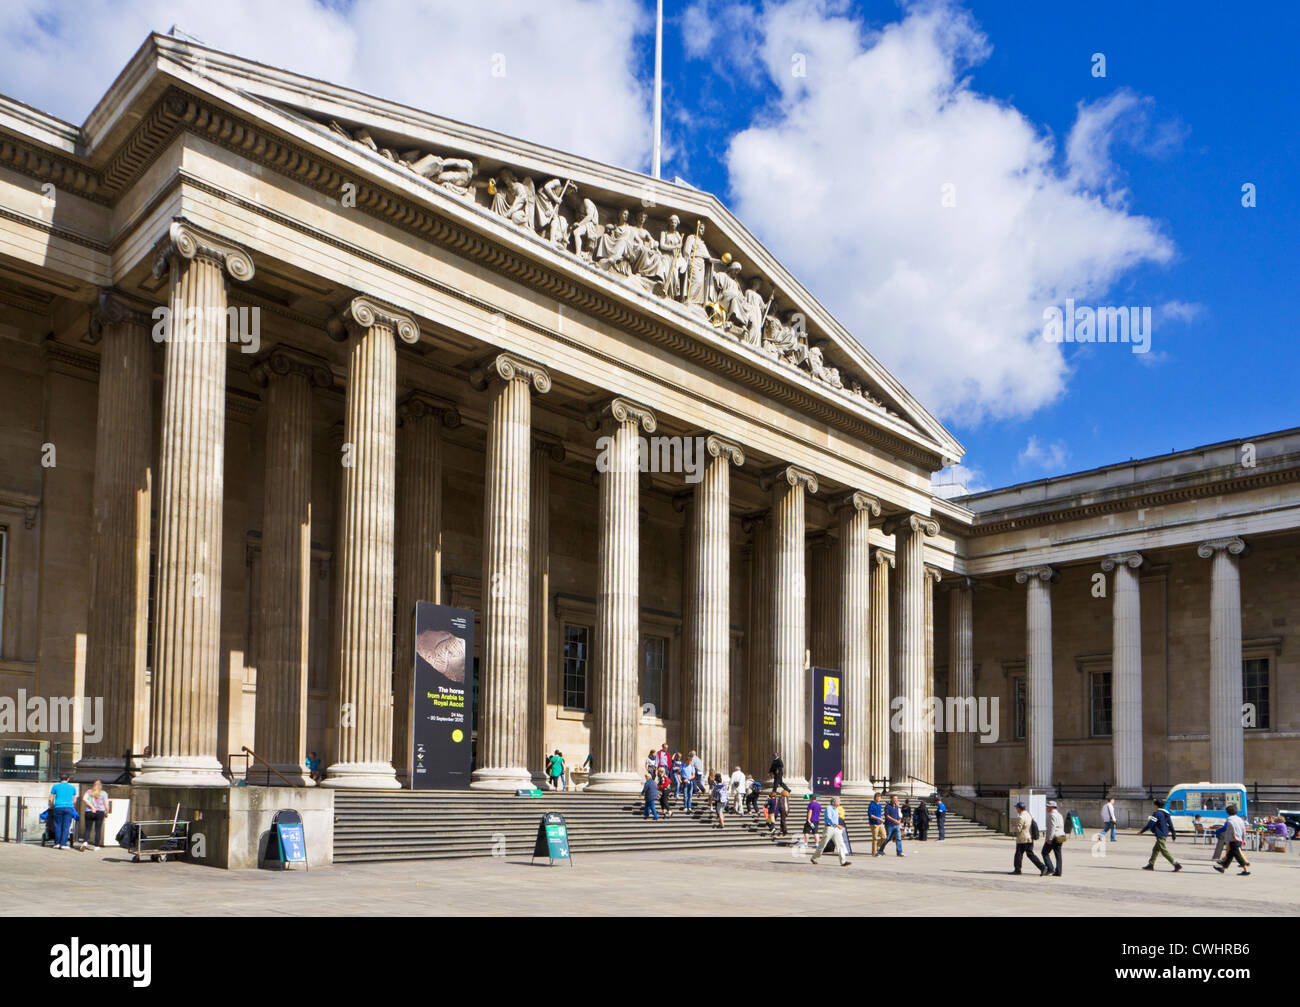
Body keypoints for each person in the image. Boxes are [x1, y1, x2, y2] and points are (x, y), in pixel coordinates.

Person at [1138, 798, 1183, 872]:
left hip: (1160, 834)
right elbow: (1171, 825)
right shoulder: (1166, 813)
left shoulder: (1156, 814)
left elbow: (1150, 824)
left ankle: (1176, 864)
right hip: (1165, 833)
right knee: (1155, 849)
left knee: (1163, 850)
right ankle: (1151, 864)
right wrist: (1173, 835)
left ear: (1156, 805)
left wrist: (1142, 831)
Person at [810, 797, 852, 867]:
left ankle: (843, 861)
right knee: (823, 844)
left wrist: (838, 826)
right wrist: (837, 825)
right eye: (838, 802)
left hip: (836, 829)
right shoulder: (828, 808)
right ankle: (813, 857)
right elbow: (829, 818)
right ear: (834, 802)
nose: (839, 803)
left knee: (840, 844)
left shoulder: (836, 809)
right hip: (829, 828)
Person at [1212, 805, 1251, 876]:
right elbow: (1243, 830)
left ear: (1227, 812)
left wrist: (1234, 836)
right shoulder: (1240, 819)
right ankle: (1223, 868)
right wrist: (1244, 839)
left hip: (1233, 839)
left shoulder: (1229, 819)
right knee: (1230, 855)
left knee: (1237, 855)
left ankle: (1245, 869)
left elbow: (1231, 828)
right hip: (1239, 839)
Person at [1011, 801, 1048, 875]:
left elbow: (1018, 829)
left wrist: (1012, 828)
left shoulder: (1020, 817)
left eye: (1017, 808)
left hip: (1022, 839)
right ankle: (1042, 867)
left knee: (1018, 854)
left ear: (1019, 808)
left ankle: (1017, 870)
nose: (1016, 809)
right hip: (1030, 838)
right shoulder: (1029, 815)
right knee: (1030, 854)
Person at [47, 773, 77, 851]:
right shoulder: (72, 787)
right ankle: (63, 844)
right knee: (66, 826)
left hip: (58, 807)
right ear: (68, 779)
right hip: (68, 807)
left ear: (60, 779)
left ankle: (57, 843)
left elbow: (50, 798)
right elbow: (74, 800)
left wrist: (51, 806)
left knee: (57, 825)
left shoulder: (55, 786)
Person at [79, 779, 108, 850]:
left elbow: (84, 799)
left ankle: (85, 842)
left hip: (89, 811)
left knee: (88, 828)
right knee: (98, 829)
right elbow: (106, 804)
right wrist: (107, 812)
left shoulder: (89, 792)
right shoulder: (104, 793)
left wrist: (91, 806)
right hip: (100, 812)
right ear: (101, 786)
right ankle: (96, 846)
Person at [1041, 800, 1065, 877]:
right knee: (1058, 854)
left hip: (1054, 836)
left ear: (1051, 807)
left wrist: (1050, 839)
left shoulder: (1052, 815)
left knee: (1044, 852)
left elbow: (1052, 828)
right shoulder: (1059, 814)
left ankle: (1050, 868)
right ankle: (1058, 871)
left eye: (1047, 806)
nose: (1046, 808)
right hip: (1061, 835)